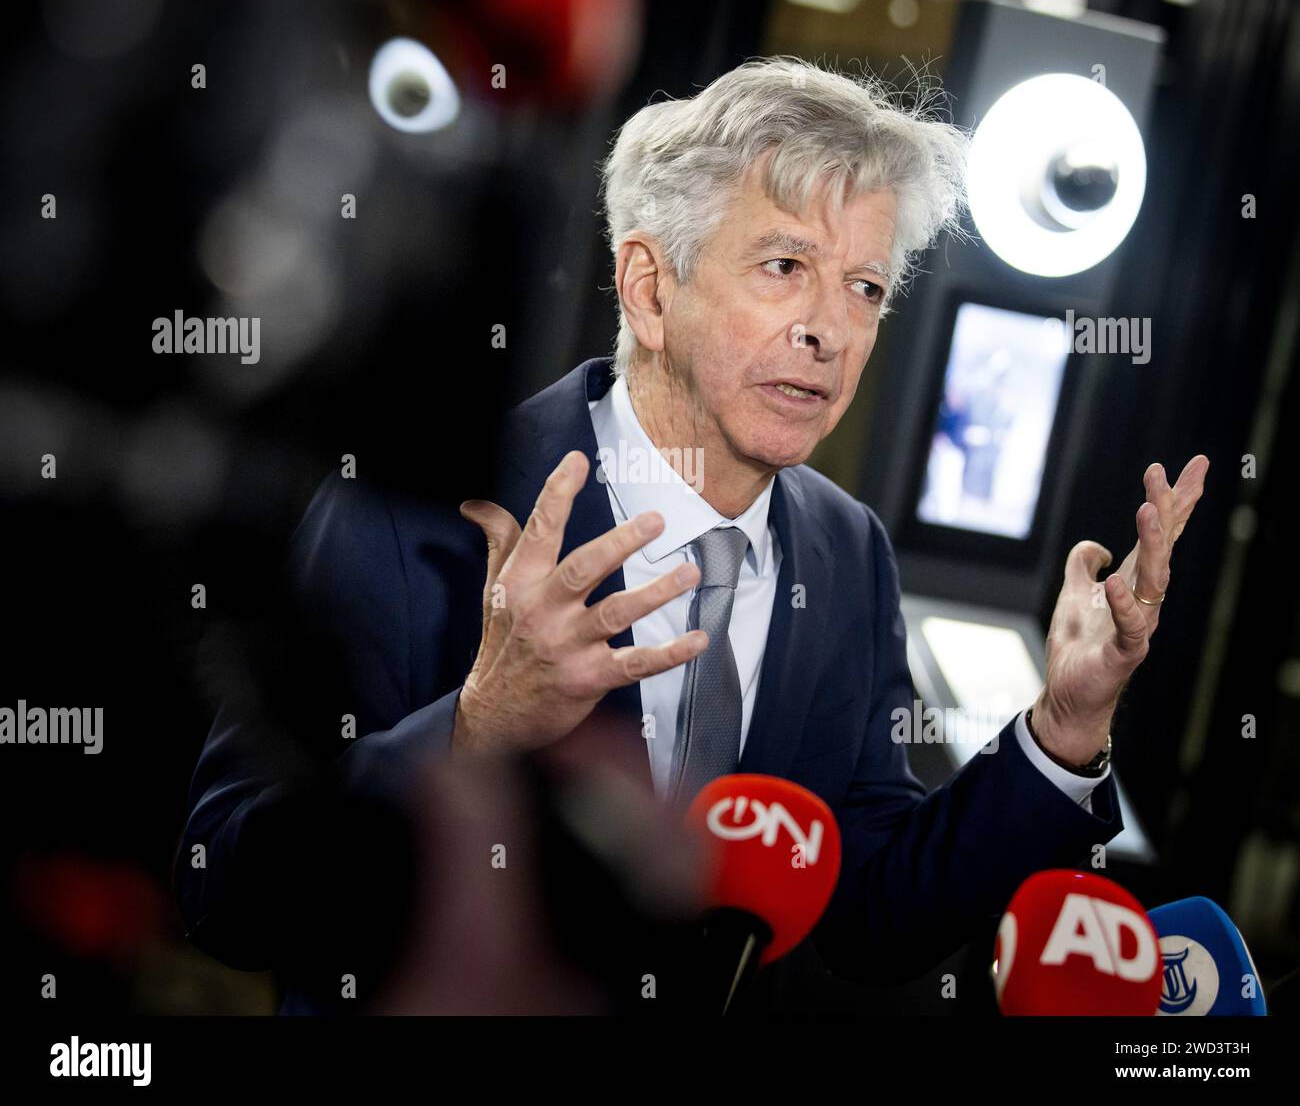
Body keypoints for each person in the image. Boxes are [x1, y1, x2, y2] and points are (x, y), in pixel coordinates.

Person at [176, 56, 1209, 1012]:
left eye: (864, 288)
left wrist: (1062, 729)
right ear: (649, 287)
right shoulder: (408, 510)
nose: (830, 330)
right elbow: (224, 886)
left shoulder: (847, 554)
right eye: (783, 265)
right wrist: (477, 726)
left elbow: (873, 917)